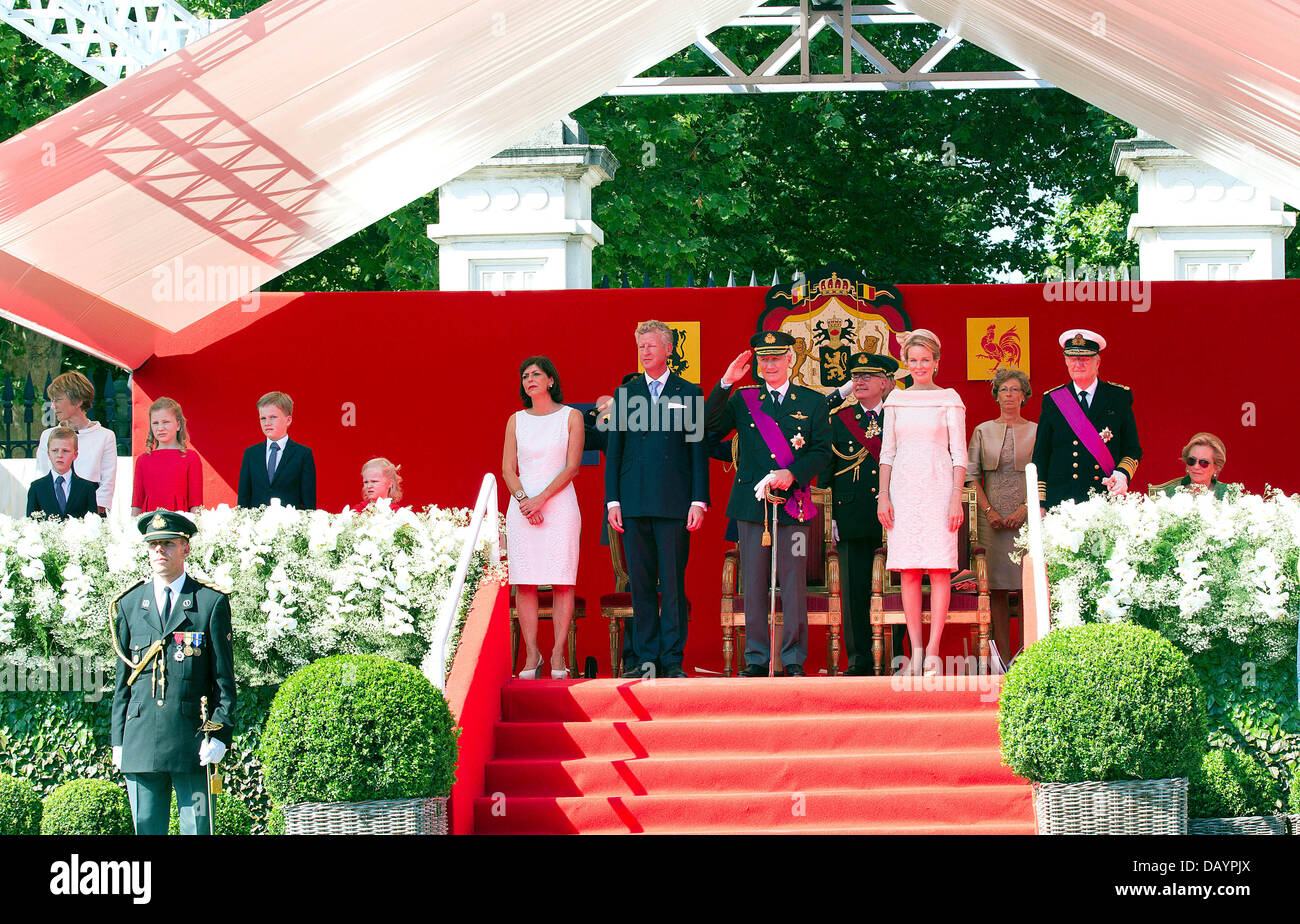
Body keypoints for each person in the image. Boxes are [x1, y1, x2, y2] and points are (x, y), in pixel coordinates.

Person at [705, 330, 831, 677]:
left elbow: (822, 451)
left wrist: (793, 473)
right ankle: (757, 659)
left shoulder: (812, 402)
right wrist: (726, 382)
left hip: (795, 506)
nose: (769, 365)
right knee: (754, 583)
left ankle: (793, 659)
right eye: (763, 359)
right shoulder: (743, 399)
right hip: (752, 508)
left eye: (776, 358)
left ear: (790, 359)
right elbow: (707, 428)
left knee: (793, 582)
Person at [110, 510, 236, 835]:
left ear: (185, 549)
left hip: (193, 742)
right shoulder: (129, 604)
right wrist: (118, 740)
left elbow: (223, 684)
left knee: (197, 829)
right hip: (141, 741)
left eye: (167, 543)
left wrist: (219, 734)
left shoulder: (209, 603)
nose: (159, 550)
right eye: (153, 544)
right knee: (147, 832)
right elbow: (123, 684)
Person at [605, 321, 708, 679]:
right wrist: (613, 501)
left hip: (674, 502)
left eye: (651, 345)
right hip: (634, 502)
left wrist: (699, 500)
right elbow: (615, 451)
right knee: (641, 584)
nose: (645, 352)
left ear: (668, 349)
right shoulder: (626, 393)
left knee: (673, 583)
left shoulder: (689, 392)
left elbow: (697, 450)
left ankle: (673, 659)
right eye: (641, 346)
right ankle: (646, 659)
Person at [877, 329, 967, 677]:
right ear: (906, 362)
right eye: (913, 360)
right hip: (903, 492)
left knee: (940, 570)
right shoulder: (896, 401)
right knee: (909, 570)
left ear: (936, 362)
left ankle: (933, 650)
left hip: (939, 490)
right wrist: (883, 495)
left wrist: (956, 497)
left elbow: (959, 455)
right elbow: (887, 453)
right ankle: (915, 649)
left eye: (925, 360)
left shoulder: (949, 399)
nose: (919, 366)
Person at [502, 356, 584, 680]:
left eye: (536, 374)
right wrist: (525, 501)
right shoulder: (516, 420)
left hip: (559, 504)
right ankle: (532, 654)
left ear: (551, 380)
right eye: (525, 376)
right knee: (525, 582)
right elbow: (508, 469)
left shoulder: (571, 416)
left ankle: (558, 654)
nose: (529, 380)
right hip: (522, 507)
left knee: (563, 581)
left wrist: (541, 499)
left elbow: (572, 467)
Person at [823, 352, 898, 675]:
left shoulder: (898, 415)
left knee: (896, 586)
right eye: (856, 376)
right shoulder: (840, 419)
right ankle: (859, 660)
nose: (860, 382)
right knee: (853, 589)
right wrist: (831, 516)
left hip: (894, 513)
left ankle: (898, 657)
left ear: (885, 382)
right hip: (851, 512)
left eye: (868, 376)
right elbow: (826, 471)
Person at [966, 368, 1037, 662]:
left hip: (1027, 518)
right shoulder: (982, 431)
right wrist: (988, 511)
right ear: (996, 396)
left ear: (1024, 396)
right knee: (994, 587)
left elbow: (1043, 475)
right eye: (1004, 390)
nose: (1009, 395)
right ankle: (1002, 659)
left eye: (1015, 390)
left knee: (1026, 586)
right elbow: (971, 477)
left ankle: (1029, 655)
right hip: (990, 520)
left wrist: (1025, 508)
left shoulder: (1037, 430)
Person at [1033, 329, 1141, 511]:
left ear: (1097, 362)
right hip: (1062, 500)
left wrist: (1122, 474)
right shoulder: (1053, 400)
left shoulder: (1118, 397)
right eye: (1073, 359)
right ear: (1066, 361)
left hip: (1104, 497)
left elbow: (1132, 449)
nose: (1078, 364)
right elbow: (1041, 454)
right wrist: (1041, 503)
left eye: (1085, 359)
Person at [35, 371, 115, 514]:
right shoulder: (47, 436)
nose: (53, 406)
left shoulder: (105, 436)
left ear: (78, 401)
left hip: (91, 513)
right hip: (53, 511)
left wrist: (95, 511)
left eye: (57, 400)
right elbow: (41, 475)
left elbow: (107, 480)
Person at [237, 391, 317, 509]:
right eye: (263, 418)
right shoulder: (251, 454)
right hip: (256, 520)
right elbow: (243, 500)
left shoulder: (303, 454)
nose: (267, 423)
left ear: (288, 420)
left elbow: (309, 504)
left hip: (290, 520)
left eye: (273, 417)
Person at [131, 397, 202, 516]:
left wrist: (196, 525)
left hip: (179, 523)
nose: (160, 428)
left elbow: (196, 503)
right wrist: (132, 525)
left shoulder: (190, 458)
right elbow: (137, 503)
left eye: (166, 422)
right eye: (155, 423)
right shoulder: (143, 460)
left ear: (178, 425)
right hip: (149, 523)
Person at [27, 427, 99, 518]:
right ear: (48, 454)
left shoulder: (87, 488)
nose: (59, 455)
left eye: (65, 451)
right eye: (54, 450)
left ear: (75, 455)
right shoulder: (37, 488)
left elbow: (92, 522)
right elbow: (31, 522)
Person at [1159, 433, 1237, 499]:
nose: (1196, 467)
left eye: (1204, 463)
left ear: (1216, 468)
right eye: (1191, 460)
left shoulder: (1229, 494)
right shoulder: (1168, 494)